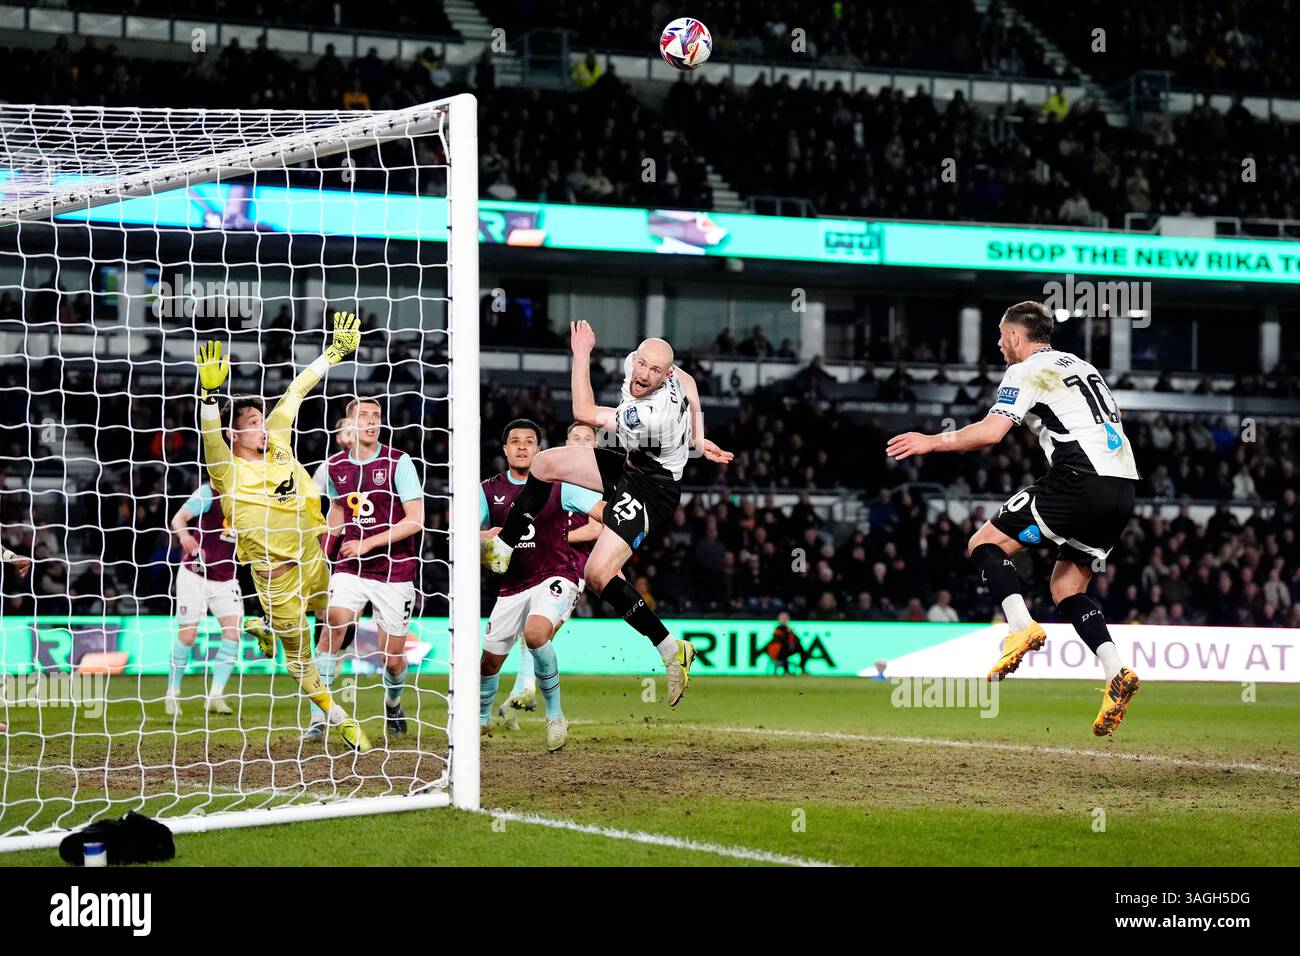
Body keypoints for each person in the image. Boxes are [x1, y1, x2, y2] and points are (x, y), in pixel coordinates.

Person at [886, 300, 1142, 736]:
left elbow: (989, 433)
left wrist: (930, 441)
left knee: (982, 544)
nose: (999, 344)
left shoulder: (1026, 371)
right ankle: (1116, 670)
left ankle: (1020, 628)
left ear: (1018, 338)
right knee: (1066, 587)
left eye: (1002, 336)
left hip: (1079, 480)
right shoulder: (1083, 366)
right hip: (1123, 488)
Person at [483, 322, 733, 706]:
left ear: (664, 375)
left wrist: (581, 353)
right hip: (631, 466)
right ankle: (504, 543)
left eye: (654, 371)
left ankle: (671, 651)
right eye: (642, 364)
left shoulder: (650, 415)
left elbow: (582, 412)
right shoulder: (655, 367)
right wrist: (699, 438)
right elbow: (692, 386)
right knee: (546, 463)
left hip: (653, 489)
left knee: (597, 574)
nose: (644, 374)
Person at [194, 311, 370, 753]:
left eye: (259, 420)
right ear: (235, 434)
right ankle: (339, 718)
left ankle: (264, 624)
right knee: (298, 660)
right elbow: (209, 433)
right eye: (250, 423)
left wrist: (334, 353)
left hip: (313, 557)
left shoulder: (279, 441)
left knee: (337, 620)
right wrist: (210, 395)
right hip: (276, 576)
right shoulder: (226, 469)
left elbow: (296, 390)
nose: (260, 427)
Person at [480, 419, 604, 751]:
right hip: (512, 584)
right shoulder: (488, 490)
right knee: (490, 663)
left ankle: (554, 714)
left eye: (529, 441)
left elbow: (602, 515)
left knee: (536, 634)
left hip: (557, 574)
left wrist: (634, 518)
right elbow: (466, 532)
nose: (522, 446)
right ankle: (482, 717)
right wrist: (483, 539)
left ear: (540, 449)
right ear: (505, 450)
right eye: (515, 441)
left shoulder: (562, 485)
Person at [305, 397, 424, 742]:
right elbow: (337, 518)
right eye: (364, 416)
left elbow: (415, 520)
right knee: (334, 625)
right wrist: (320, 558)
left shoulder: (398, 462)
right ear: (351, 424)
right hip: (350, 566)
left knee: (393, 660)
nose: (371, 421)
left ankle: (393, 701)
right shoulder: (334, 467)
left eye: (376, 416)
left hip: (395, 570)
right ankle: (319, 716)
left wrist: (369, 543)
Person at [165, 482, 243, 717]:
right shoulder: (211, 492)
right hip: (195, 574)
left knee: (233, 633)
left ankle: (216, 695)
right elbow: (178, 519)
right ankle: (172, 692)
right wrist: (184, 535)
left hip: (226, 578)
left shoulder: (255, 496)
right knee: (188, 635)